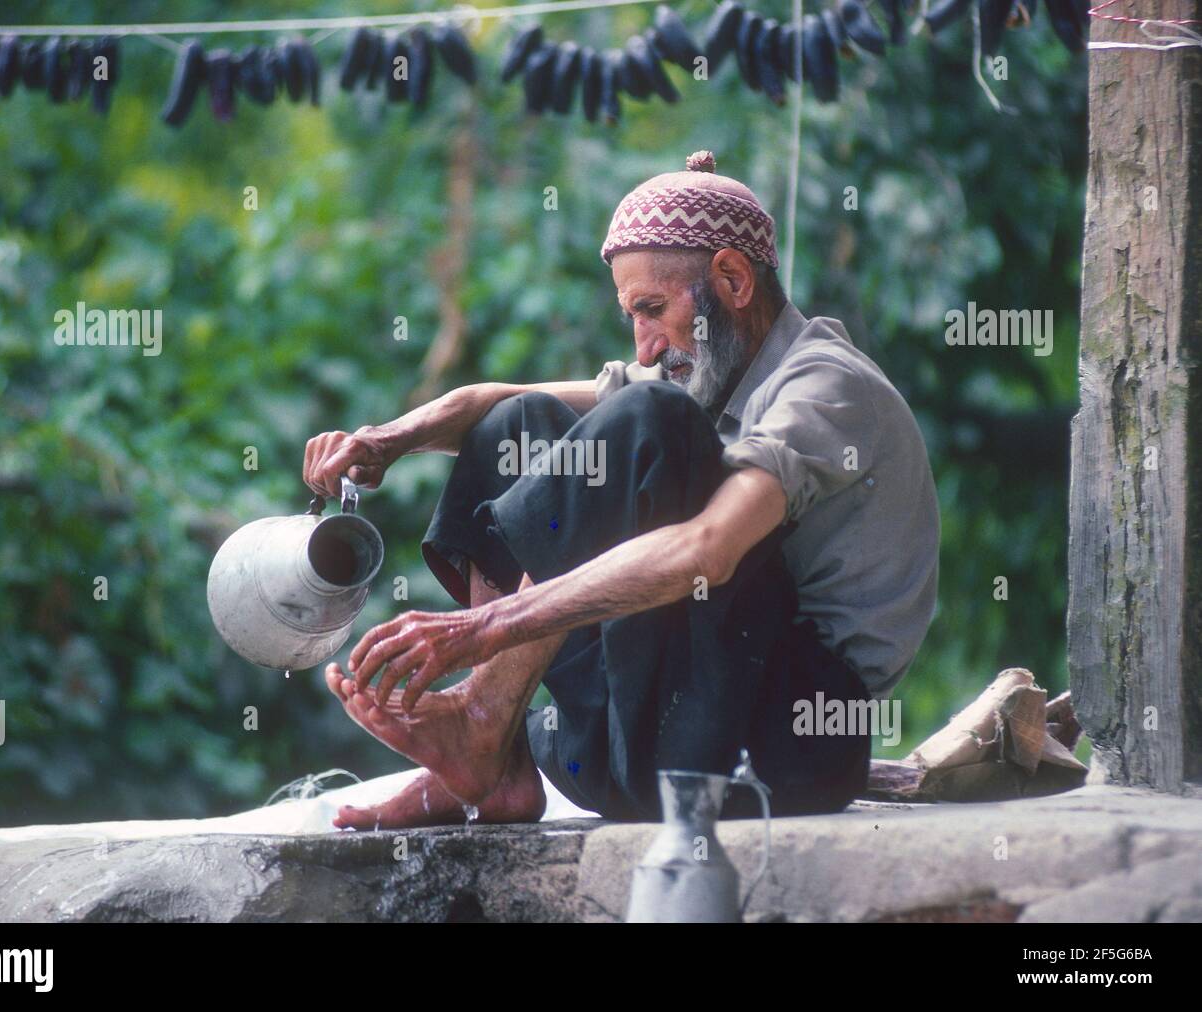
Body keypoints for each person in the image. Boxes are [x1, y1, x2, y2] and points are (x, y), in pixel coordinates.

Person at [302, 150, 939, 829]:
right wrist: (385, 440)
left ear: (732, 279)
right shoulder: (706, 375)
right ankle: (497, 765)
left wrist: (481, 630)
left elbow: (708, 551)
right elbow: (496, 400)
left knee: (648, 419)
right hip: (652, 734)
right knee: (514, 425)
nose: (642, 348)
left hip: (783, 745)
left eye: (653, 310)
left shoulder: (825, 387)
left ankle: (479, 716)